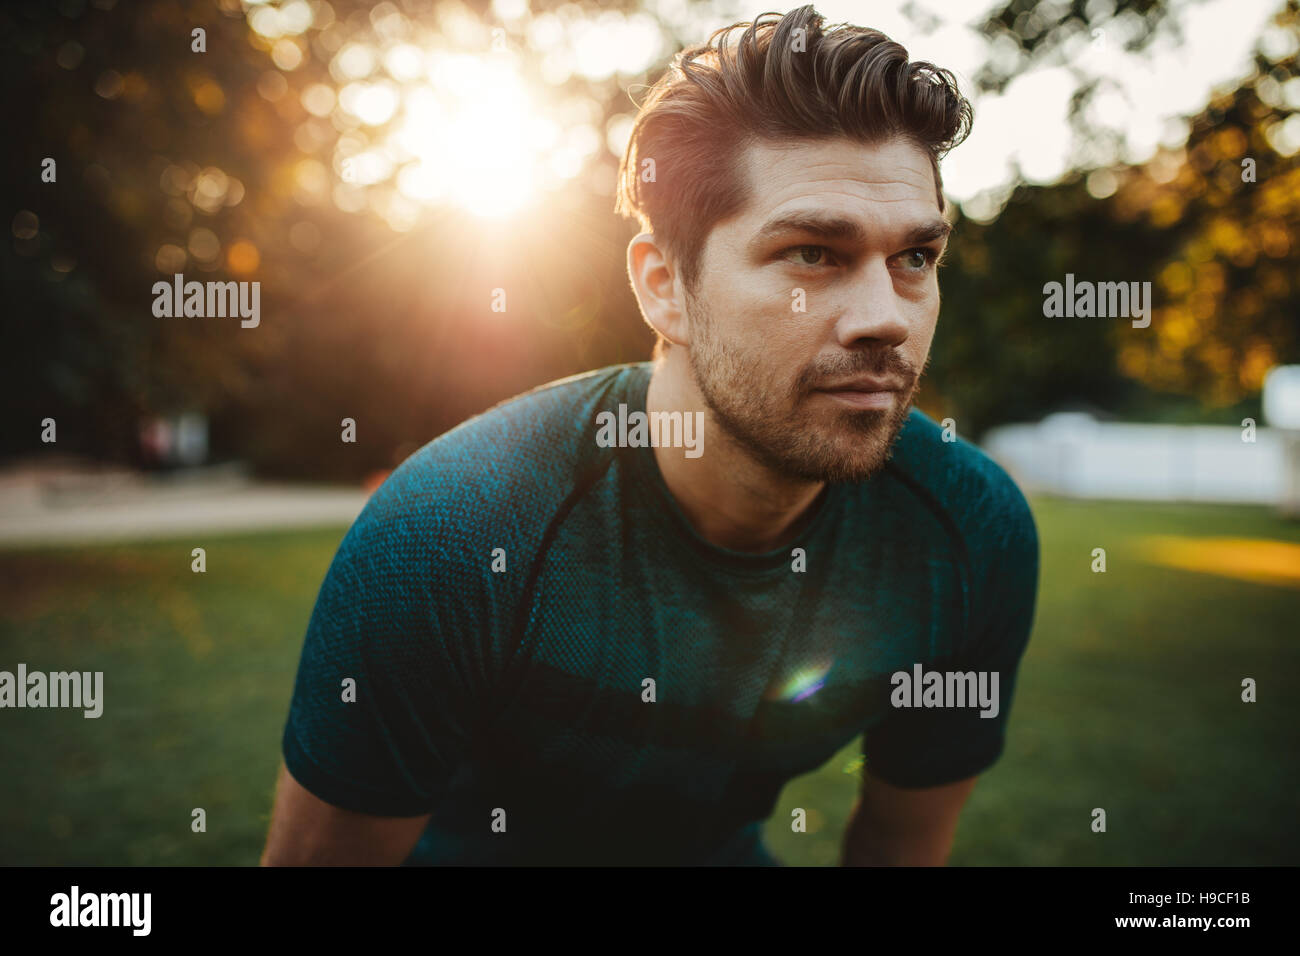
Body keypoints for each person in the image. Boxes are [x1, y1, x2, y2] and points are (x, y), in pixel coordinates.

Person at [261, 4, 1039, 867]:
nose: (883, 319)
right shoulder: (451, 536)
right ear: (664, 284)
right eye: (813, 254)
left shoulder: (968, 533)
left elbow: (901, 848)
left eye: (916, 259)